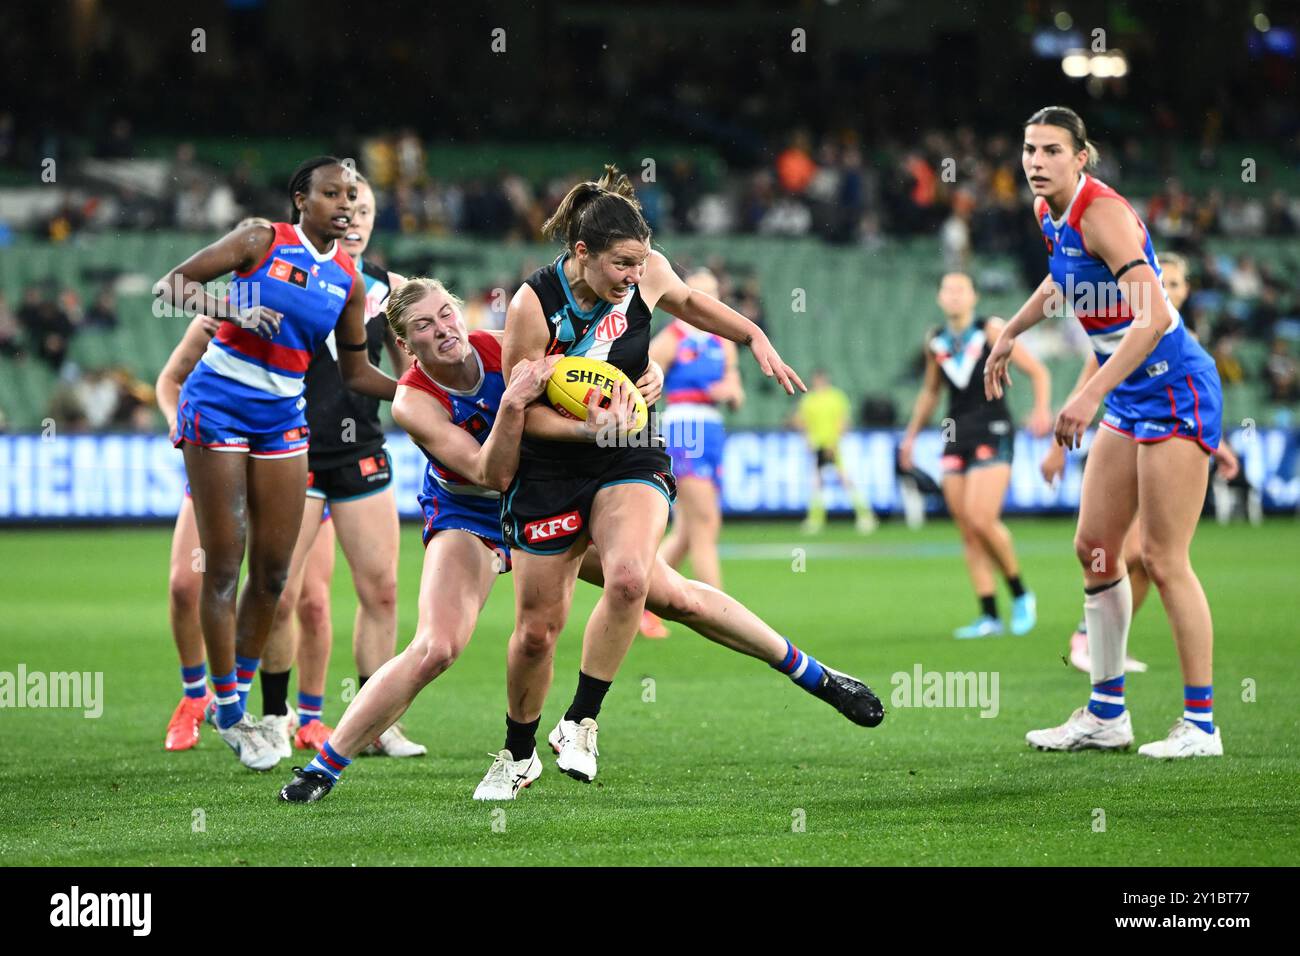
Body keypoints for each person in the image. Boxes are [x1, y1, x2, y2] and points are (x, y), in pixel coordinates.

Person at [278, 280, 881, 803]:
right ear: (405, 345)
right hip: (474, 513)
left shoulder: (505, 344)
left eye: (446, 314)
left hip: (548, 498)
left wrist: (643, 380)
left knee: (671, 596)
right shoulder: (414, 400)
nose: (442, 330)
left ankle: (817, 677)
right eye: (422, 327)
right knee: (436, 647)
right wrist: (513, 405)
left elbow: (601, 368)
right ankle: (323, 767)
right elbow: (491, 474)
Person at [498, 164, 809, 784]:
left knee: (632, 577)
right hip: (553, 465)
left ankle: (583, 720)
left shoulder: (647, 272)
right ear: (581, 253)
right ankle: (518, 750)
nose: (635, 277)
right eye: (621, 265)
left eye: (641, 263)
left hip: (629, 451)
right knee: (537, 633)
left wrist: (752, 336)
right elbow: (518, 416)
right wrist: (590, 428)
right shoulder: (533, 305)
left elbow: (691, 303)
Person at [987, 107, 1225, 758]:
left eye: (1052, 150)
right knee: (1095, 546)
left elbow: (1150, 320)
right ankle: (1106, 714)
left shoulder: (1104, 215)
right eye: (1030, 148)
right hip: (1128, 392)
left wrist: (1088, 393)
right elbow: (1063, 283)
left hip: (1172, 386)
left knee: (1163, 559)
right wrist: (1011, 331)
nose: (1036, 161)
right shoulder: (1048, 214)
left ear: (1080, 157)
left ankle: (1201, 724)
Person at [155, 156, 397, 770]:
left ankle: (242, 699)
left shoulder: (349, 280)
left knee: (272, 576)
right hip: (217, 405)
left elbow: (357, 373)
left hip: (283, 418)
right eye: (330, 194)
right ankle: (232, 712)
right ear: (301, 199)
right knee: (224, 563)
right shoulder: (261, 238)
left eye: (351, 196)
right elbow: (172, 285)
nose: (344, 205)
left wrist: (429, 393)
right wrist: (233, 310)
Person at [255, 173, 425, 760]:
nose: (355, 214)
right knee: (279, 590)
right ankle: (275, 719)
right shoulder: (288, 270)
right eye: (345, 203)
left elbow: (416, 369)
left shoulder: (389, 288)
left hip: (360, 450)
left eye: (366, 207)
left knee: (380, 592)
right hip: (290, 447)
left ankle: (376, 726)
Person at [153, 219, 336, 753]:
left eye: (359, 205)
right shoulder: (231, 309)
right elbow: (172, 376)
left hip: (290, 451)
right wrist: (173, 418)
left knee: (301, 597)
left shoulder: (340, 301)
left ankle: (298, 714)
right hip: (219, 445)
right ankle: (202, 699)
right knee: (194, 581)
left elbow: (354, 372)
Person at [1042, 252, 1240, 672]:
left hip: (1162, 435)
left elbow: (1184, 394)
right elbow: (1089, 382)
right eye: (1160, 282)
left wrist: (1215, 444)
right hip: (1128, 436)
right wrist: (1059, 445)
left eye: (1175, 285)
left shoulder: (1179, 337)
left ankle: (1110, 650)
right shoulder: (1122, 328)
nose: (1166, 290)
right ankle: (1087, 638)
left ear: (1186, 292)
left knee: (1152, 562)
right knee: (1132, 551)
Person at [899, 272, 1052, 639]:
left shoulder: (991, 330)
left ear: (974, 296)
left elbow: (1038, 372)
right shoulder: (935, 340)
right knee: (968, 529)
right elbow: (931, 392)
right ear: (939, 298)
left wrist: (1042, 409)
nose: (953, 296)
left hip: (993, 428)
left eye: (960, 290)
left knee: (982, 519)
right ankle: (989, 615)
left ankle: (1020, 593)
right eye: (947, 289)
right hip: (954, 432)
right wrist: (910, 437)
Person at [639, 267, 743, 639]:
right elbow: (641, 379)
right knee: (704, 526)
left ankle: (639, 599)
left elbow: (736, 388)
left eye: (713, 291)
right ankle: (725, 614)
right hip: (685, 429)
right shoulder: (672, 338)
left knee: (686, 530)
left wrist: (729, 391)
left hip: (713, 430)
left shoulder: (723, 341)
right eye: (700, 292)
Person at [793, 370, 877, 534]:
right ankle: (816, 519)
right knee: (817, 483)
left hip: (833, 445)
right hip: (818, 445)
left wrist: (835, 441)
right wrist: (807, 438)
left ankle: (865, 516)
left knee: (844, 480)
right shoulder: (809, 400)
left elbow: (843, 421)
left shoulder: (835, 397)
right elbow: (801, 421)